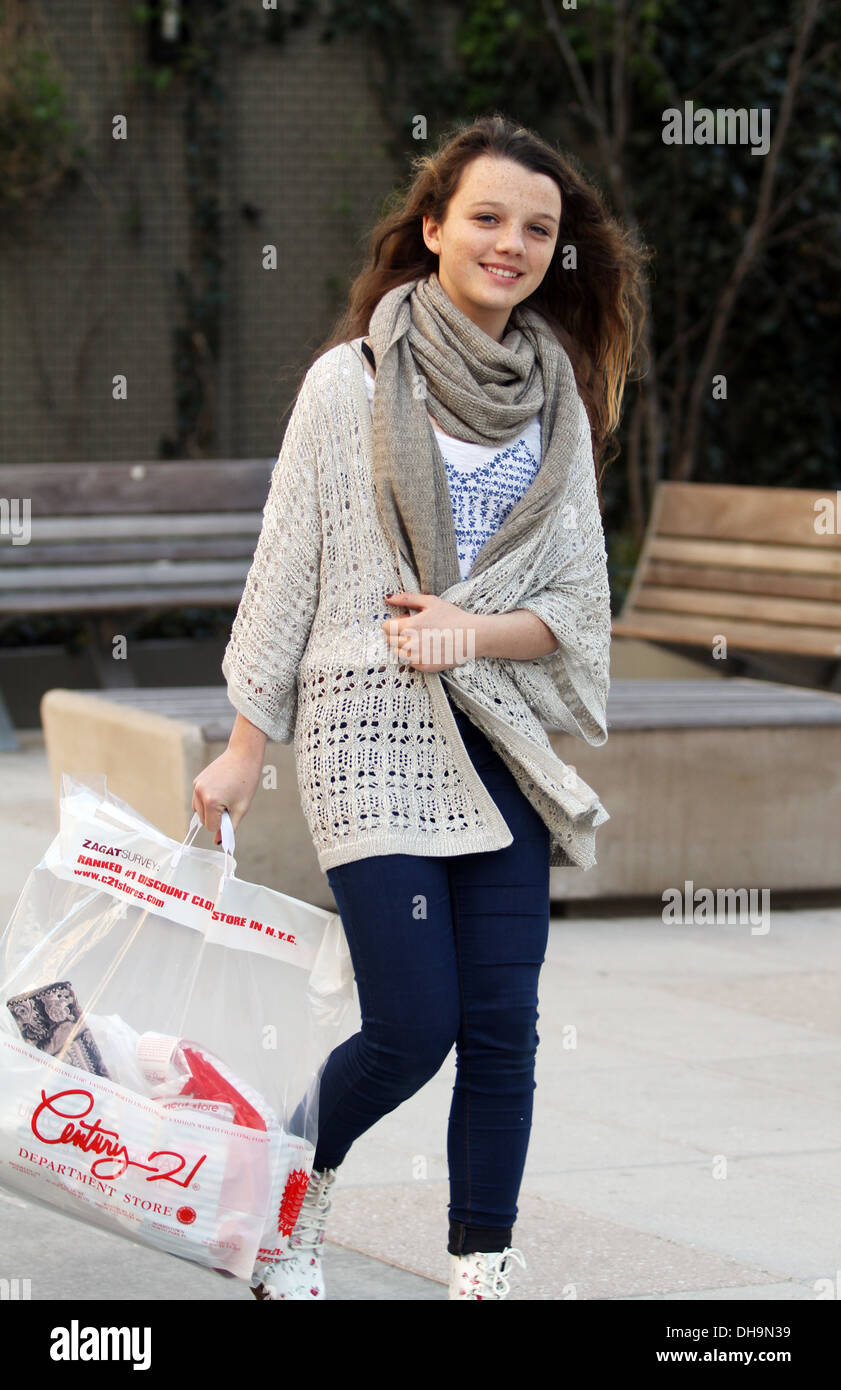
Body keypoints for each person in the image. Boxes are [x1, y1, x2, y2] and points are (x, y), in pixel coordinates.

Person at [192, 112, 647, 1301]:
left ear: (559, 254)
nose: (511, 244)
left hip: (496, 742)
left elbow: (573, 610)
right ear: (434, 227)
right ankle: (286, 1193)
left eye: (538, 230)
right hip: (365, 741)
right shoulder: (347, 387)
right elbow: (286, 570)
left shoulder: (558, 402)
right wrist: (246, 748)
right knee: (413, 1026)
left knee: (503, 1027)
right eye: (487, 218)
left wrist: (467, 632)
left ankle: (480, 1264)